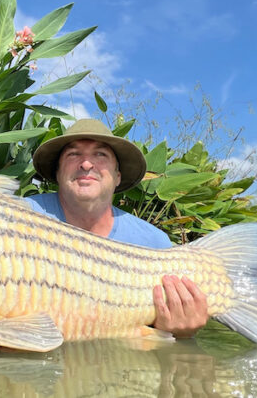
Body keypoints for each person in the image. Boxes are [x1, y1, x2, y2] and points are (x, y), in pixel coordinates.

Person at [26, 118, 208, 339]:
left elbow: (163, 337)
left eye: (100, 155)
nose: (85, 164)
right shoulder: (21, 217)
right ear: (57, 173)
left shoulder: (155, 244)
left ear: (117, 177)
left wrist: (181, 332)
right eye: (73, 154)